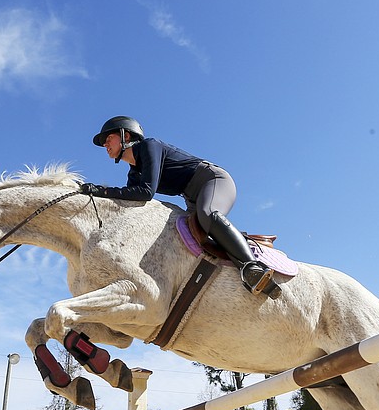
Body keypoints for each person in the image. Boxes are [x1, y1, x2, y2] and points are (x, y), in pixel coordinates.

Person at [83, 116, 280, 298]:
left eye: (108, 138)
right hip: (191, 197)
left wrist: (101, 191)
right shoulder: (134, 174)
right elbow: (131, 203)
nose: (105, 144)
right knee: (190, 242)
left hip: (212, 180)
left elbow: (145, 192)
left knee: (208, 214)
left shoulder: (149, 146)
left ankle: (253, 268)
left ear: (126, 135)